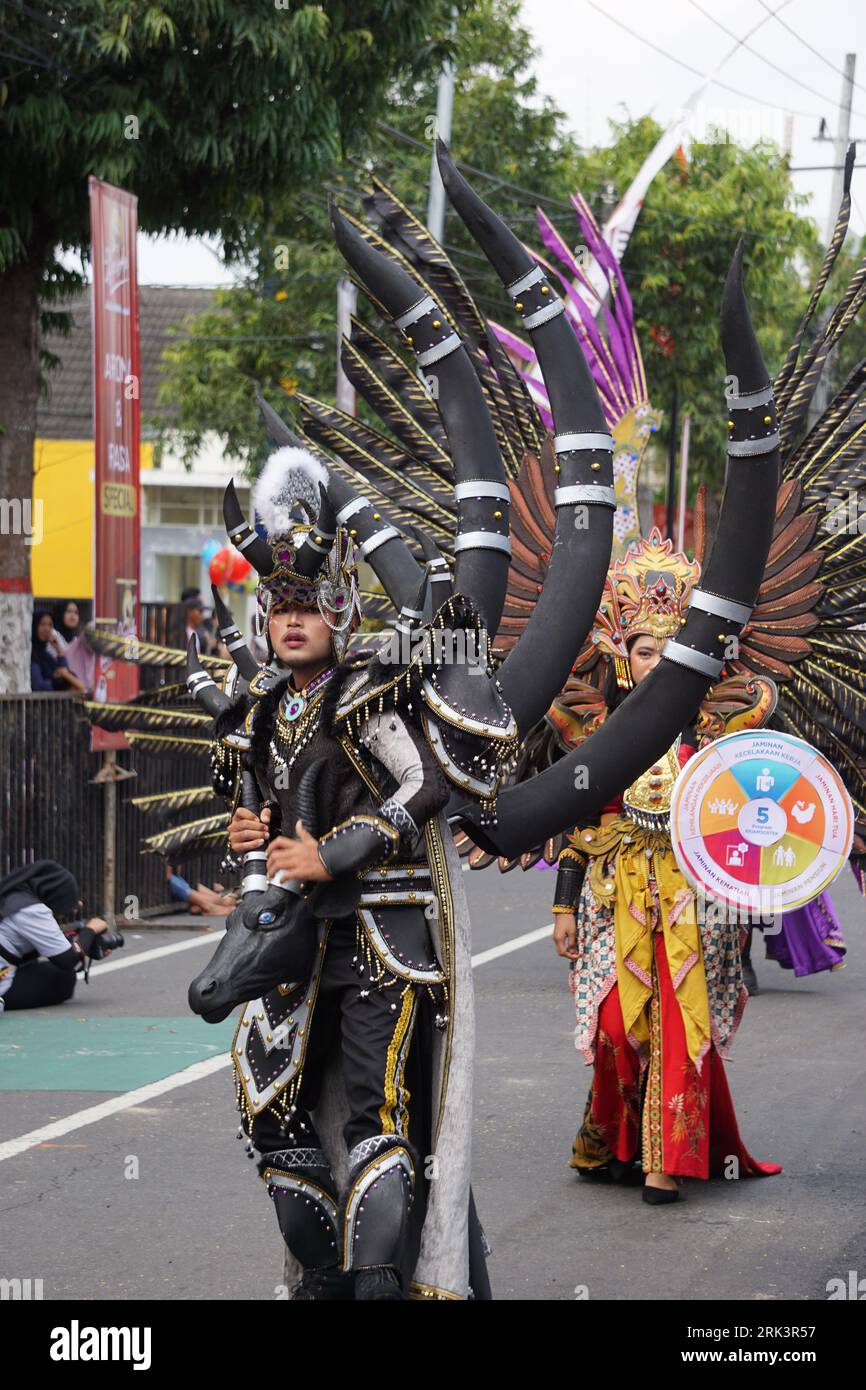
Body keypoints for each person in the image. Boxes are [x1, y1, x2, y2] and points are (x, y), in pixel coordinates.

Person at [552, 533, 782, 1203]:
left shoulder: (716, 734)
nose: (655, 663)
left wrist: (747, 898)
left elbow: (755, 821)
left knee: (683, 1023)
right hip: (613, 894)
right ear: (622, 657)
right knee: (620, 1029)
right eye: (643, 650)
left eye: (668, 650)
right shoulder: (595, 733)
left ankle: (666, 1161)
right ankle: (620, 1138)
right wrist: (564, 906)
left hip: (694, 900)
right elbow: (580, 826)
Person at [0, 861, 111, 1012]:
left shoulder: (11, 896)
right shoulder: (31, 910)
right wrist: (90, 931)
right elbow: (67, 960)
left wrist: (86, 946)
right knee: (63, 977)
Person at [30, 610, 85, 693]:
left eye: (50, 625)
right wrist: (64, 688)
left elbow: (64, 671)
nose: (47, 629)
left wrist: (58, 649)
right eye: (42, 624)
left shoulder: (46, 655)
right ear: (34, 626)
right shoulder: (32, 655)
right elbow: (38, 685)